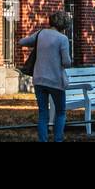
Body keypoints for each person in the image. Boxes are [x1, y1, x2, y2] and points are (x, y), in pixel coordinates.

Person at [20, 10, 73, 142]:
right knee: (60, 112)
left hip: (39, 80)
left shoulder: (40, 34)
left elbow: (22, 42)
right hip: (56, 81)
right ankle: (58, 140)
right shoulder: (63, 39)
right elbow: (66, 63)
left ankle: (42, 140)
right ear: (64, 25)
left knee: (43, 113)